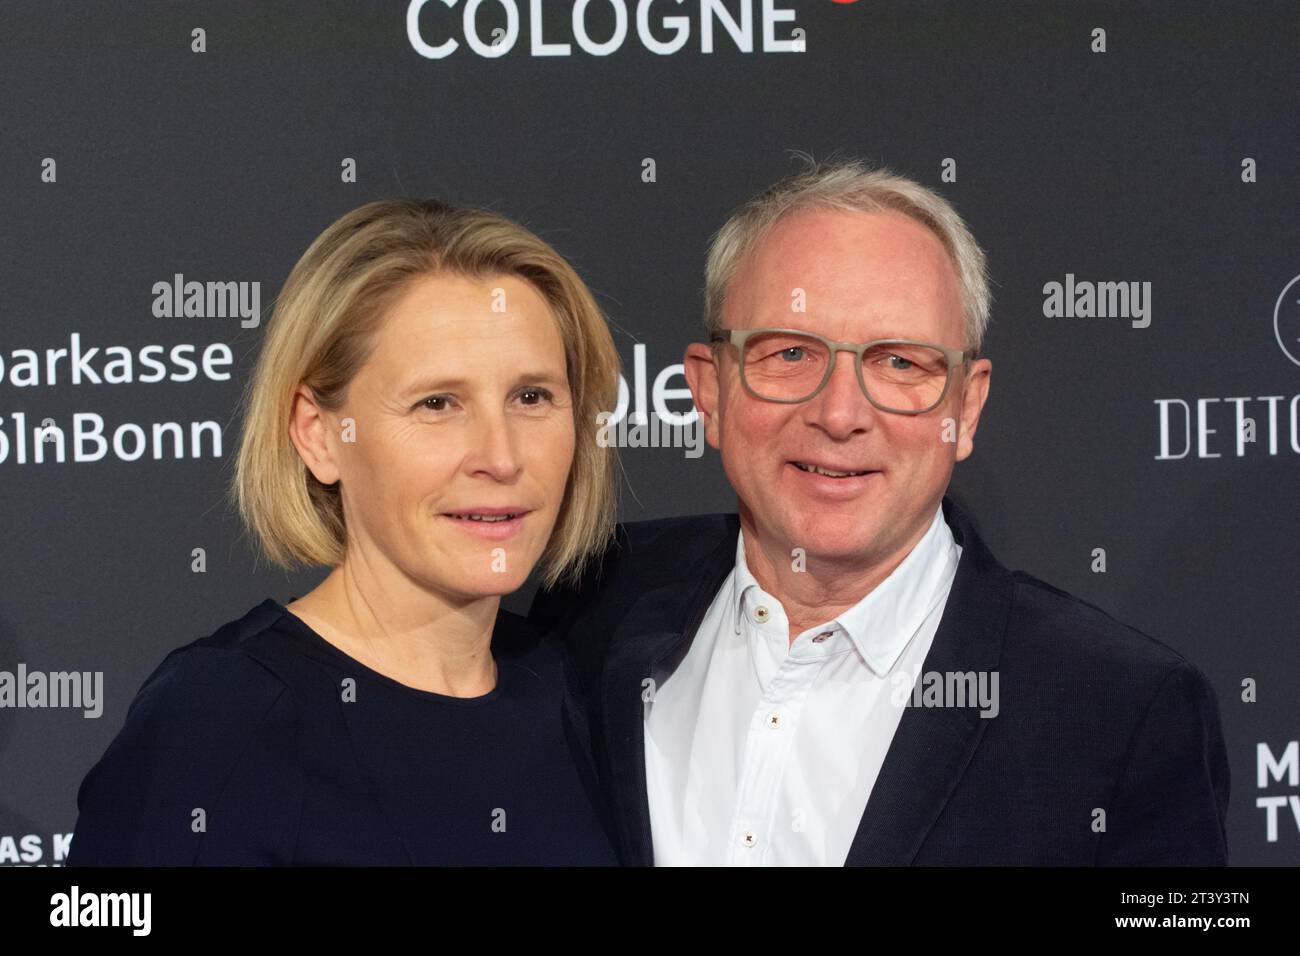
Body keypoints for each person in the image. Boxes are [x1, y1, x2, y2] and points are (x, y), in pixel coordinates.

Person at [530, 159, 1231, 866]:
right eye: (791, 353)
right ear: (709, 392)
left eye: (900, 363)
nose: (839, 414)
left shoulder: (1120, 713)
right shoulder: (590, 600)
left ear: (966, 404)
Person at [68, 198, 621, 865]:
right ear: (318, 434)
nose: (500, 458)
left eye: (531, 397)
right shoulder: (216, 722)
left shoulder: (578, 689)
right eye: (437, 404)